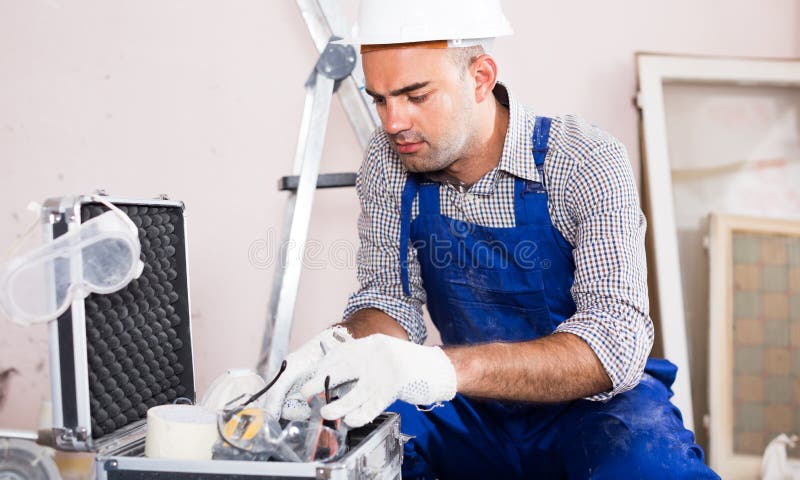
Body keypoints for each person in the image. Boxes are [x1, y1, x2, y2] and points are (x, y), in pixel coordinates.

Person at [265, 1, 720, 478]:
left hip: (592, 411)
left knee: (647, 465)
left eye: (415, 95)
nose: (392, 122)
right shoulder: (389, 161)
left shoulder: (583, 161)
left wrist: (441, 370)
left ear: (480, 77)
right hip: (471, 408)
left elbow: (615, 342)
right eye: (379, 99)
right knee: (358, 440)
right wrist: (334, 351)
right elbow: (389, 301)